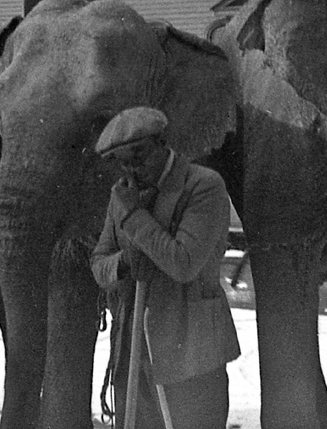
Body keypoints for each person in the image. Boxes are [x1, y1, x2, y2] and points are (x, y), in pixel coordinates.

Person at [91, 106, 240, 429]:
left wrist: (134, 218)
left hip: (191, 354)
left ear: (163, 143)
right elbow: (99, 264)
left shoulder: (203, 186)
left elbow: (184, 263)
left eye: (140, 155)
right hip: (133, 353)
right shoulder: (123, 194)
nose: (132, 168)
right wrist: (124, 263)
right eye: (123, 160)